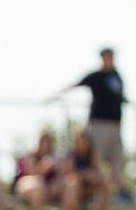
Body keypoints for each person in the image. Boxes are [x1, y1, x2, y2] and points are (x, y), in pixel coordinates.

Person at [53, 47, 127, 194]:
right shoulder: (96, 76)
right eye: (106, 56)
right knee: (97, 162)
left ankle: (119, 191)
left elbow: (120, 96)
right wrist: (55, 94)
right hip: (99, 125)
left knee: (117, 160)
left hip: (116, 126)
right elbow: (76, 84)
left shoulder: (117, 76)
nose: (108, 59)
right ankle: (96, 193)